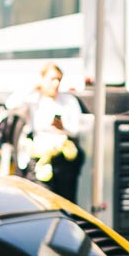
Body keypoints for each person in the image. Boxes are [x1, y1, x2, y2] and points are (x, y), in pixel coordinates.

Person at [15, 63, 86, 201]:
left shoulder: (68, 100)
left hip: (63, 158)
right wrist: (33, 88)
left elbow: (76, 130)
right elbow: (12, 105)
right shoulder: (34, 99)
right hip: (39, 158)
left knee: (64, 199)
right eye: (52, 79)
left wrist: (62, 128)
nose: (55, 83)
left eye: (58, 79)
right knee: (41, 199)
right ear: (42, 79)